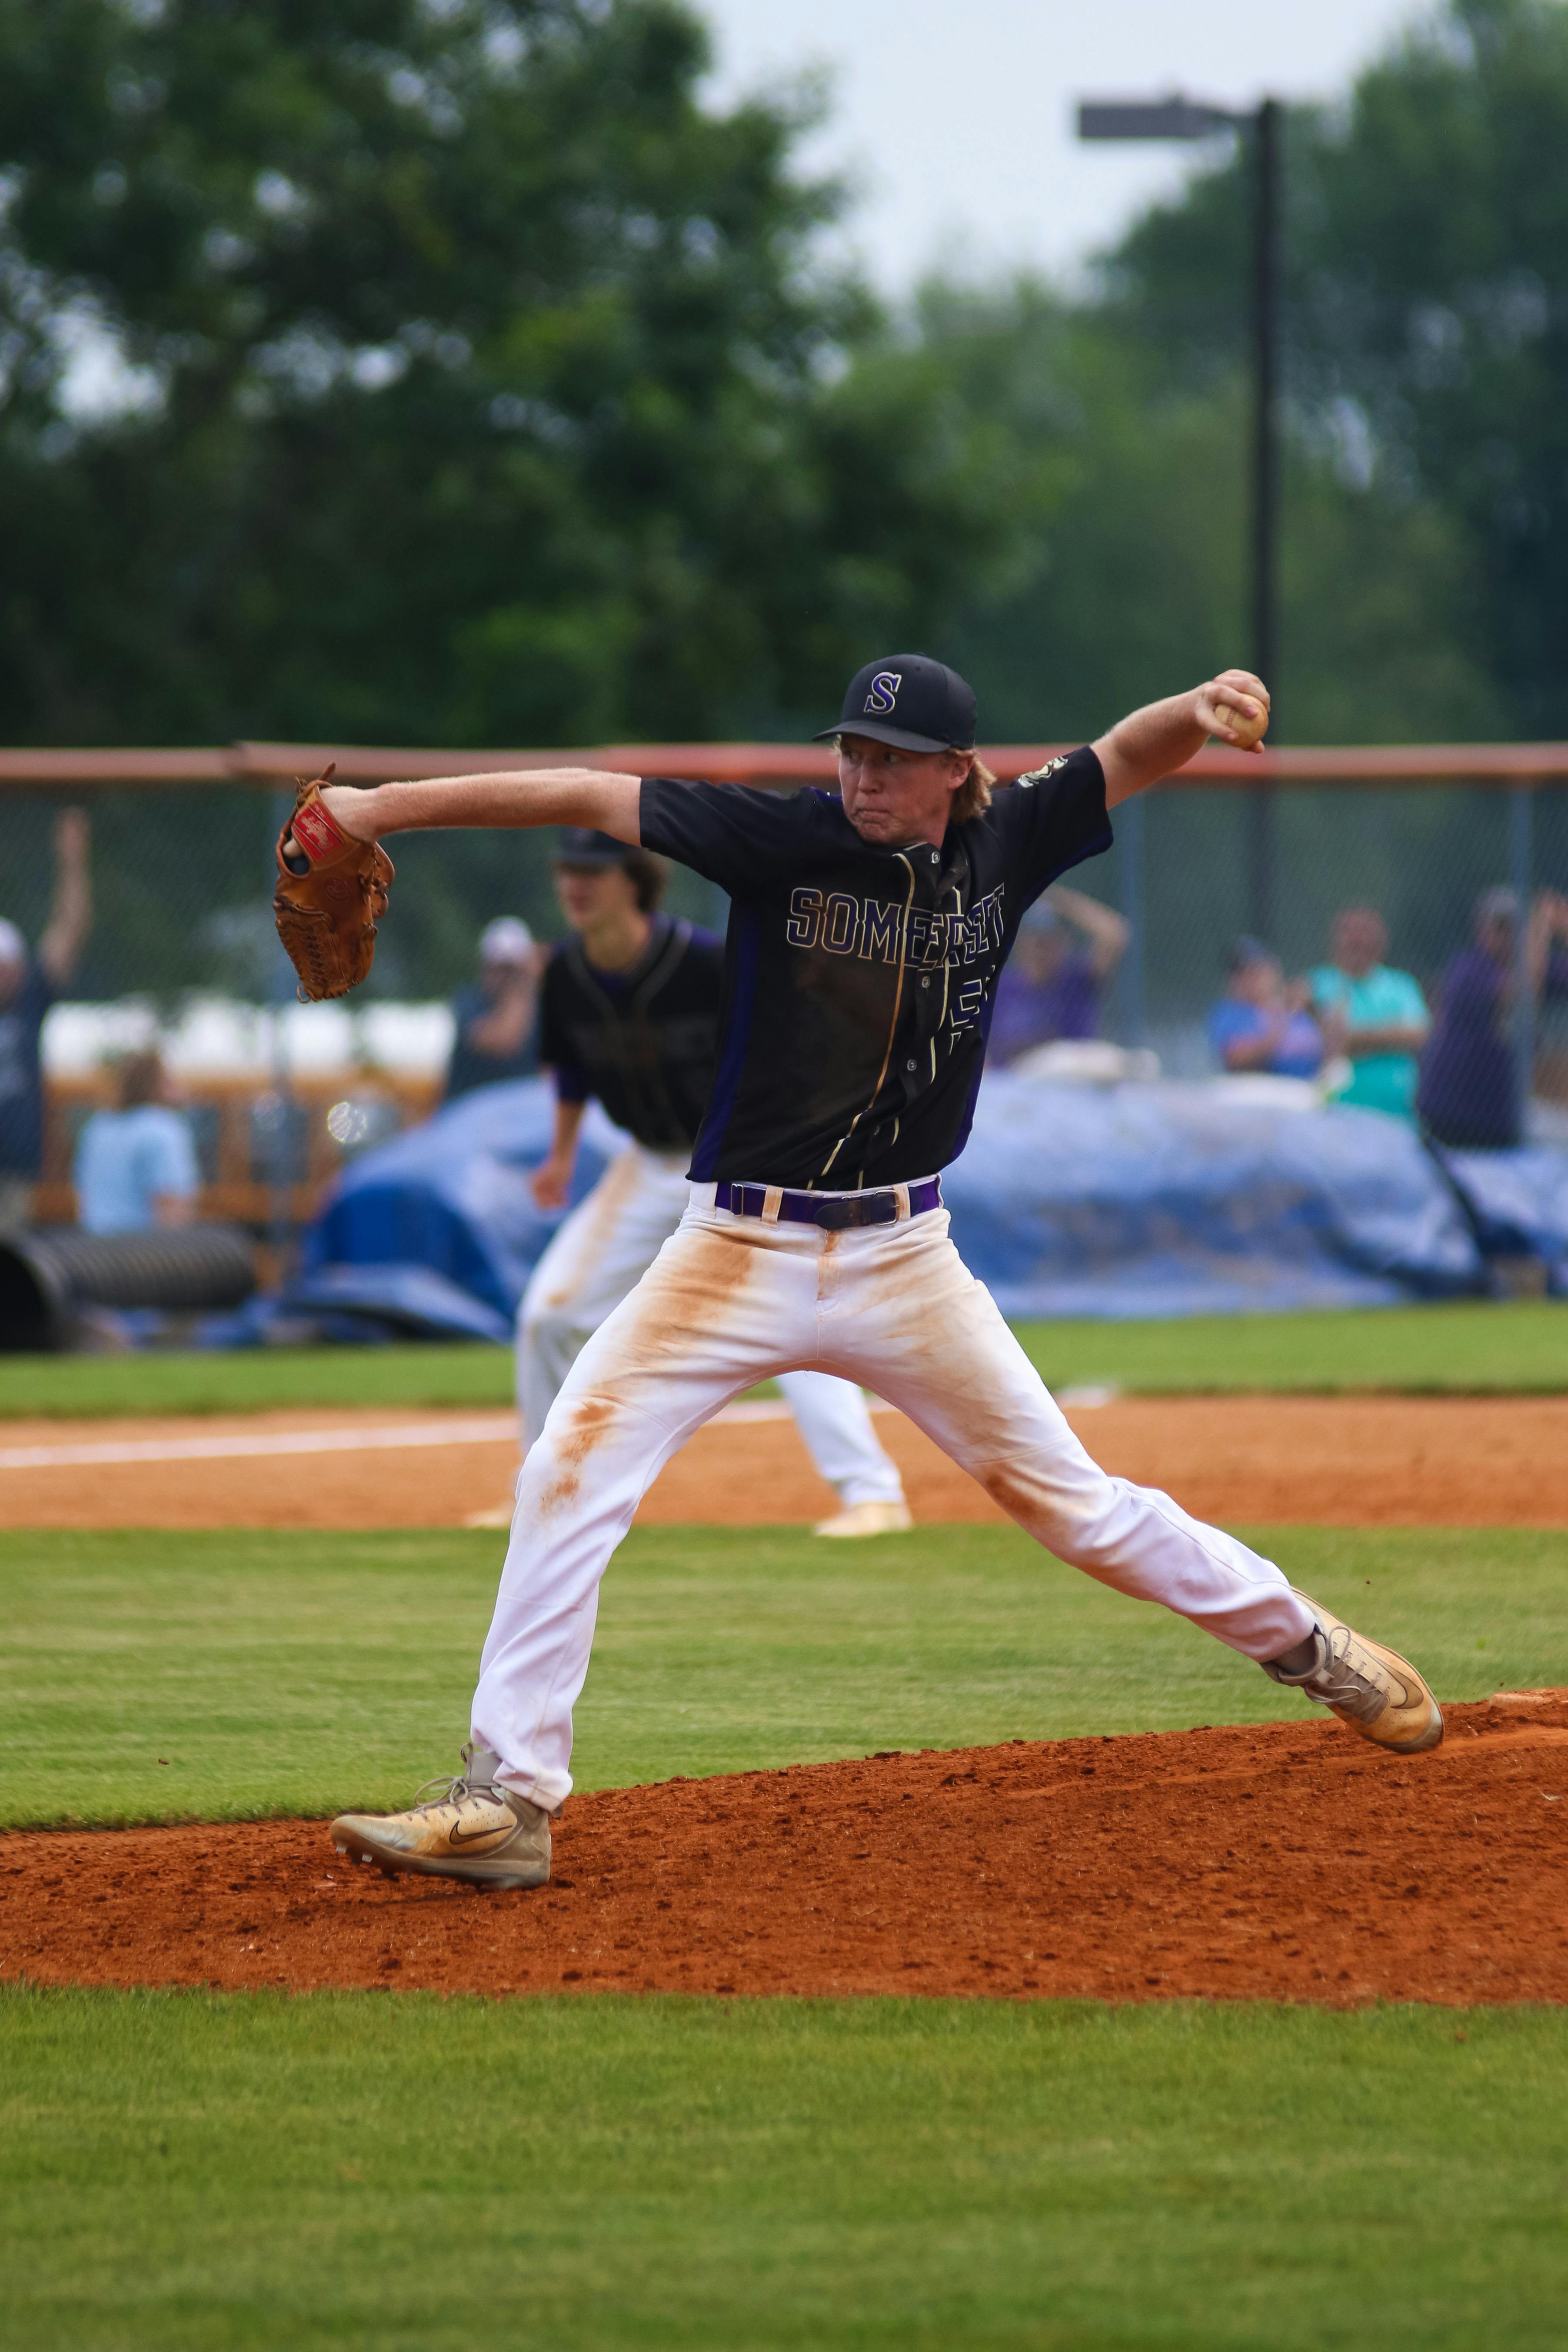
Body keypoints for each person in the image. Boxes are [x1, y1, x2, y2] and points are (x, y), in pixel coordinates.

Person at [311, 652, 1442, 1893]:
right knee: (566, 1469)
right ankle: (509, 1796)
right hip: (734, 1247)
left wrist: (1192, 710)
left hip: (906, 1257)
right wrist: (375, 807)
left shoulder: (1004, 837)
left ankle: (1304, 1641)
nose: (862, 775)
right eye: (851, 749)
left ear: (955, 772)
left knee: (1069, 1504)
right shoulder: (779, 837)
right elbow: (586, 791)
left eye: (891, 760)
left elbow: (1119, 758)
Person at [472, 823, 911, 1538]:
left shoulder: (705, 961)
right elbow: (573, 1073)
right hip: (647, 1162)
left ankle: (873, 1494)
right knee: (548, 1314)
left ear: (634, 880)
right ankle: (543, 1491)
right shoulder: (565, 977)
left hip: (743, 1161)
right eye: (567, 869)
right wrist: (559, 1156)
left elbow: (790, 1039)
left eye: (595, 868)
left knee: (785, 1317)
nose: (575, 883)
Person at [1418, 885, 1568, 1149]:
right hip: (1452, 1117)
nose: (1507, 936)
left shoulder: (1540, 968)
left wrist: (1563, 927)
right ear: (1482, 930)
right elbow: (1519, 994)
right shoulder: (1469, 970)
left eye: (1514, 927)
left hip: (1500, 1122)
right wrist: (1541, 930)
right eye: (1499, 927)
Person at [0, 809, 92, 1231]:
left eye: (9, 966)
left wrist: (72, 859)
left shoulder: (29, 999)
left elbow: (70, 928)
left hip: (13, 1161)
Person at [1308, 907, 1429, 1121]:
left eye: (1365, 934)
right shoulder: (1318, 984)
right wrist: (1390, 1036)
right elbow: (1322, 1041)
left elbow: (1418, 1035)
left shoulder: (1400, 985)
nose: (1358, 941)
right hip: (1339, 1111)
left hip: (1398, 1113)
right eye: (1350, 934)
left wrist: (1352, 1039)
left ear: (1380, 943)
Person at [986, 886, 1128, 1065]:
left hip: (1070, 1082)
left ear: (1064, 944)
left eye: (1051, 943)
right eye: (1038, 943)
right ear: (1022, 943)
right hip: (1011, 1085)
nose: (1043, 952)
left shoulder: (1077, 981)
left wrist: (1055, 898)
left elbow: (1115, 934)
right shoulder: (1000, 988)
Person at [73, 1051, 200, 1234]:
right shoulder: (163, 1128)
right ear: (161, 1085)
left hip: (93, 1251)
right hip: (141, 1253)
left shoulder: (96, 1128)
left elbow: (83, 1197)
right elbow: (172, 1208)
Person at [443, 916, 544, 1101]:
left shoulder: (539, 1009)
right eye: (499, 968)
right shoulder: (470, 1002)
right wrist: (522, 990)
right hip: (467, 1113)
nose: (505, 977)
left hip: (520, 1114)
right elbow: (502, 1042)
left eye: (511, 970)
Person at [1206, 938, 1325, 1078]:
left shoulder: (1300, 1009)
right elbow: (1236, 1059)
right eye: (1241, 973)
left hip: (1313, 1086)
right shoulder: (1229, 1013)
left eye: (1255, 971)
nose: (1249, 979)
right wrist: (1279, 1022)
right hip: (1265, 1091)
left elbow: (1328, 1051)